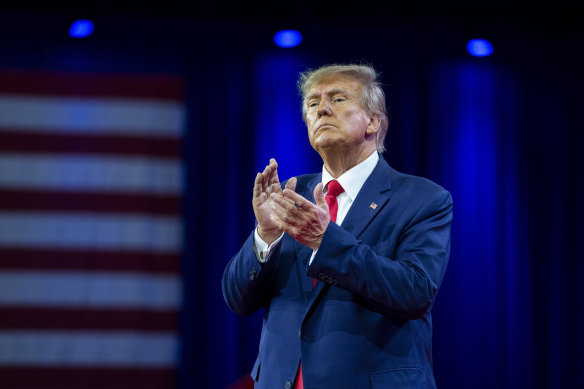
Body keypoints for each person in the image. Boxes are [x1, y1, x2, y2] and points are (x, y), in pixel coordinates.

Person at [222, 64, 453, 389]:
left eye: (337, 98)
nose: (322, 109)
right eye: (313, 103)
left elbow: (415, 292)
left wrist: (325, 241)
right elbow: (236, 299)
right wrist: (265, 235)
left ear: (373, 121)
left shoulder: (422, 199)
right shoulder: (292, 194)